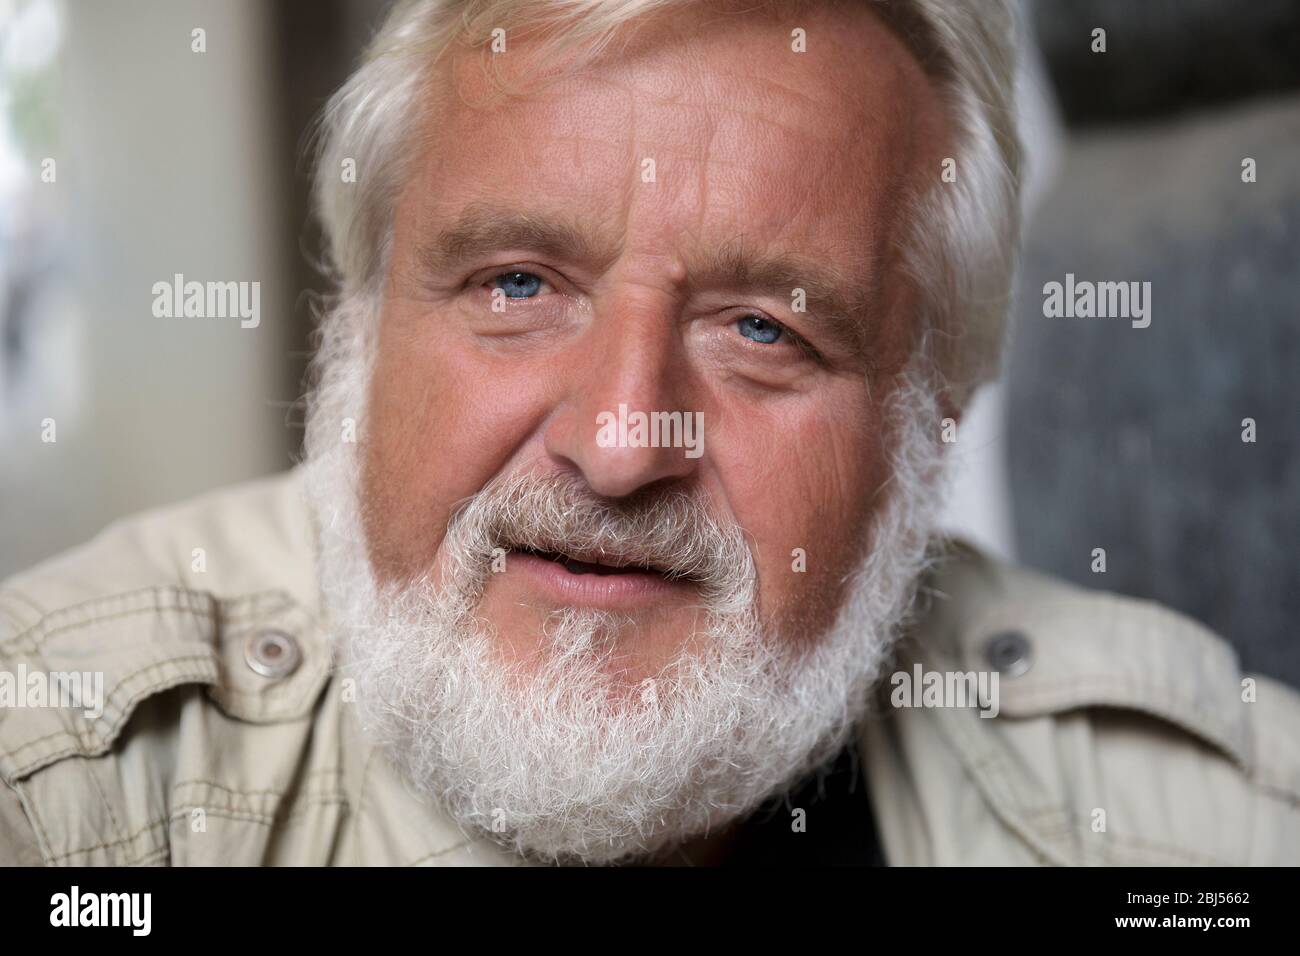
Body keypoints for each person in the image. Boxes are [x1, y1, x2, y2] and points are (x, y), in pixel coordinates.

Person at [2, 0, 1295, 866]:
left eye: (764, 332)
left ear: (930, 419)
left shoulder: (1194, 829)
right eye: (517, 287)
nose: (621, 445)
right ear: (362, 326)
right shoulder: (58, 787)